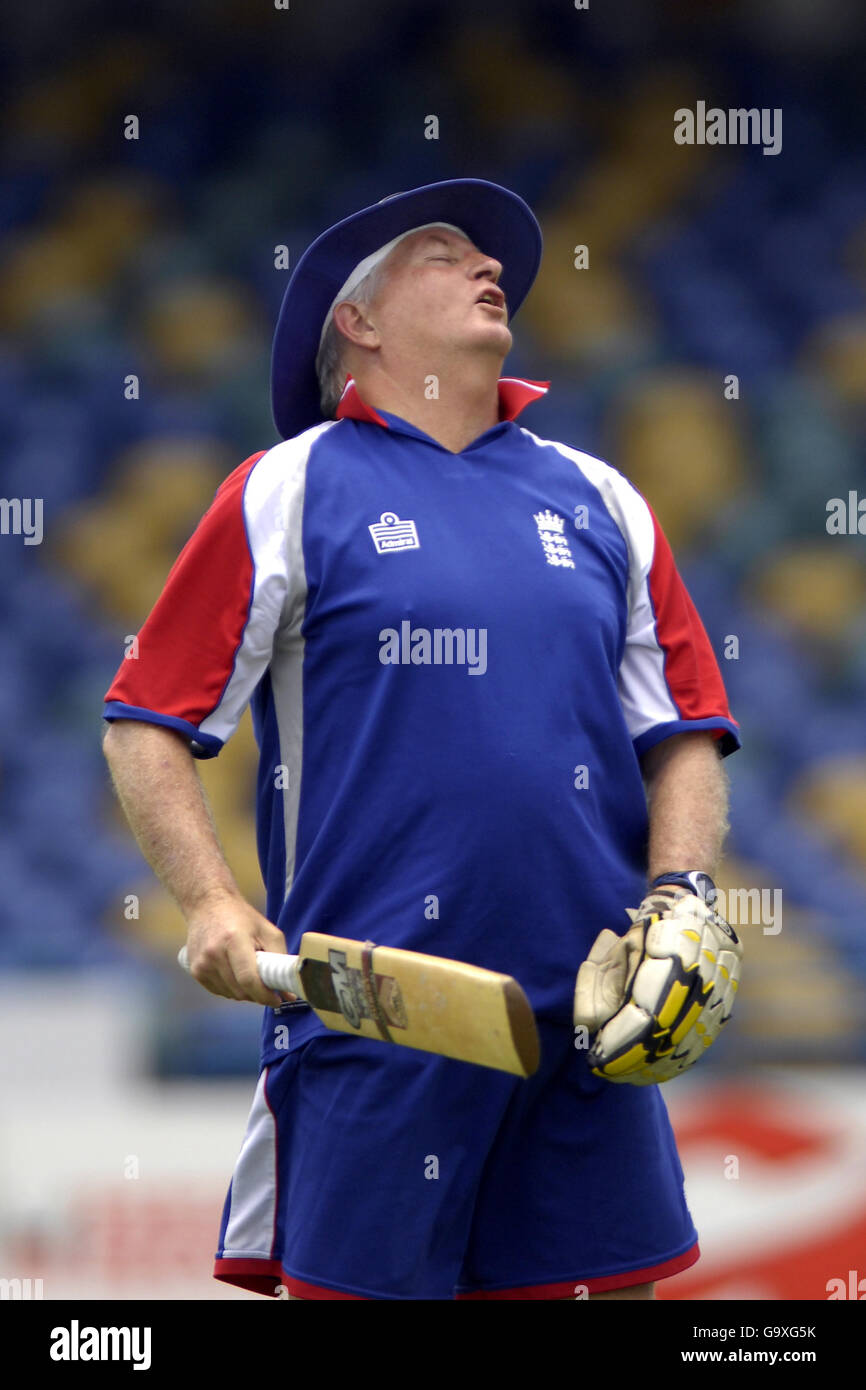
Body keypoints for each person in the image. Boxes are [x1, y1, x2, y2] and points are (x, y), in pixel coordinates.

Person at [102, 178, 741, 1301]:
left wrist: (681, 891)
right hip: (376, 1016)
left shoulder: (602, 497)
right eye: (443, 254)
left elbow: (683, 731)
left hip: (588, 1030)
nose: (490, 265)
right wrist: (208, 899)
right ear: (354, 320)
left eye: (488, 258)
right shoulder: (285, 490)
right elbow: (146, 722)